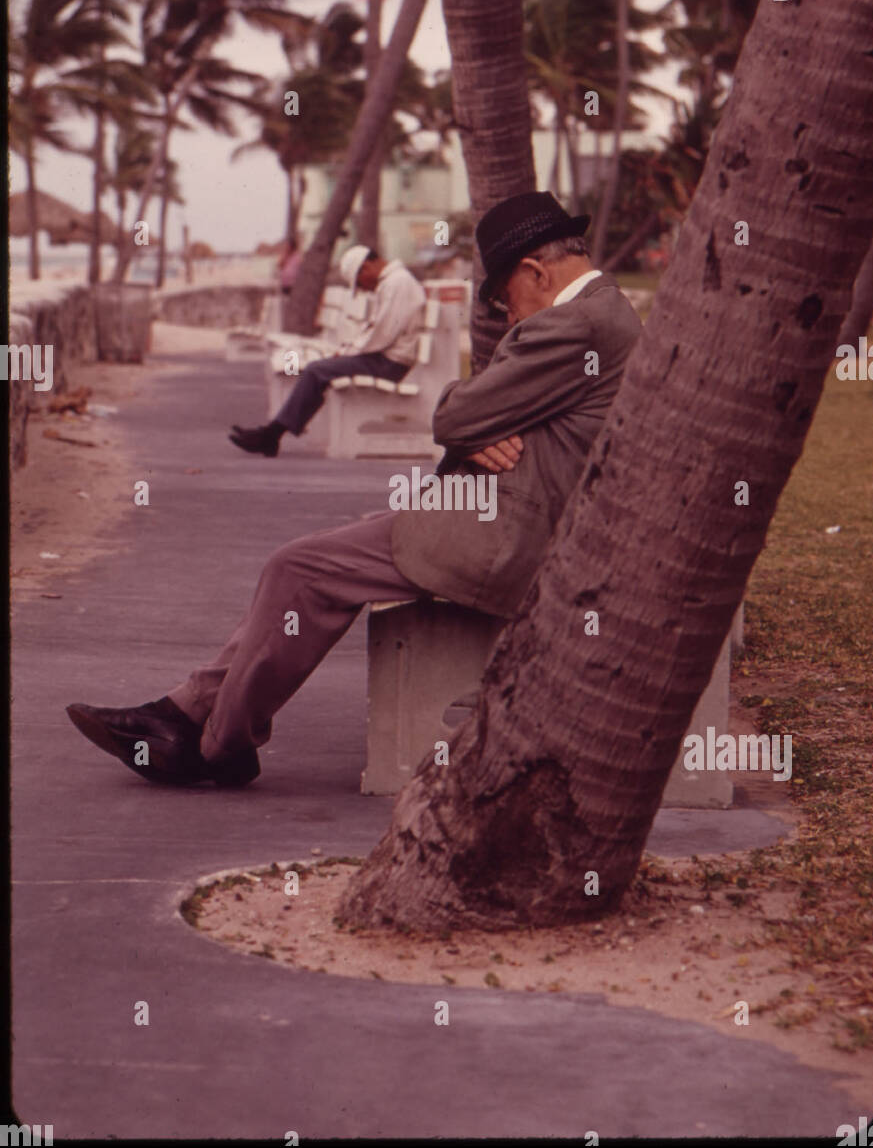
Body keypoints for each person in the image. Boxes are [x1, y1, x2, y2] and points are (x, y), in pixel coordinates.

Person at [67, 192, 643, 787]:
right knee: (317, 556)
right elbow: (482, 419)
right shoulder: (610, 311)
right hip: (522, 518)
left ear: (535, 271)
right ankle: (185, 711)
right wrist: (480, 429)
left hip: (510, 537)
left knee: (300, 568)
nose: (508, 317)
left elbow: (455, 415)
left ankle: (217, 746)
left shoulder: (573, 324)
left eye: (503, 300)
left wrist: (469, 423)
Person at [229, 245, 425, 457]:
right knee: (320, 370)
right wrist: (349, 350)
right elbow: (381, 330)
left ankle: (271, 435)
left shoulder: (397, 283)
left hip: (389, 363)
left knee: (316, 370)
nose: (363, 289)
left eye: (359, 283)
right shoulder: (394, 282)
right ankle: (271, 434)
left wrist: (349, 352)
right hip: (384, 358)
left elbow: (384, 332)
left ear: (366, 267)